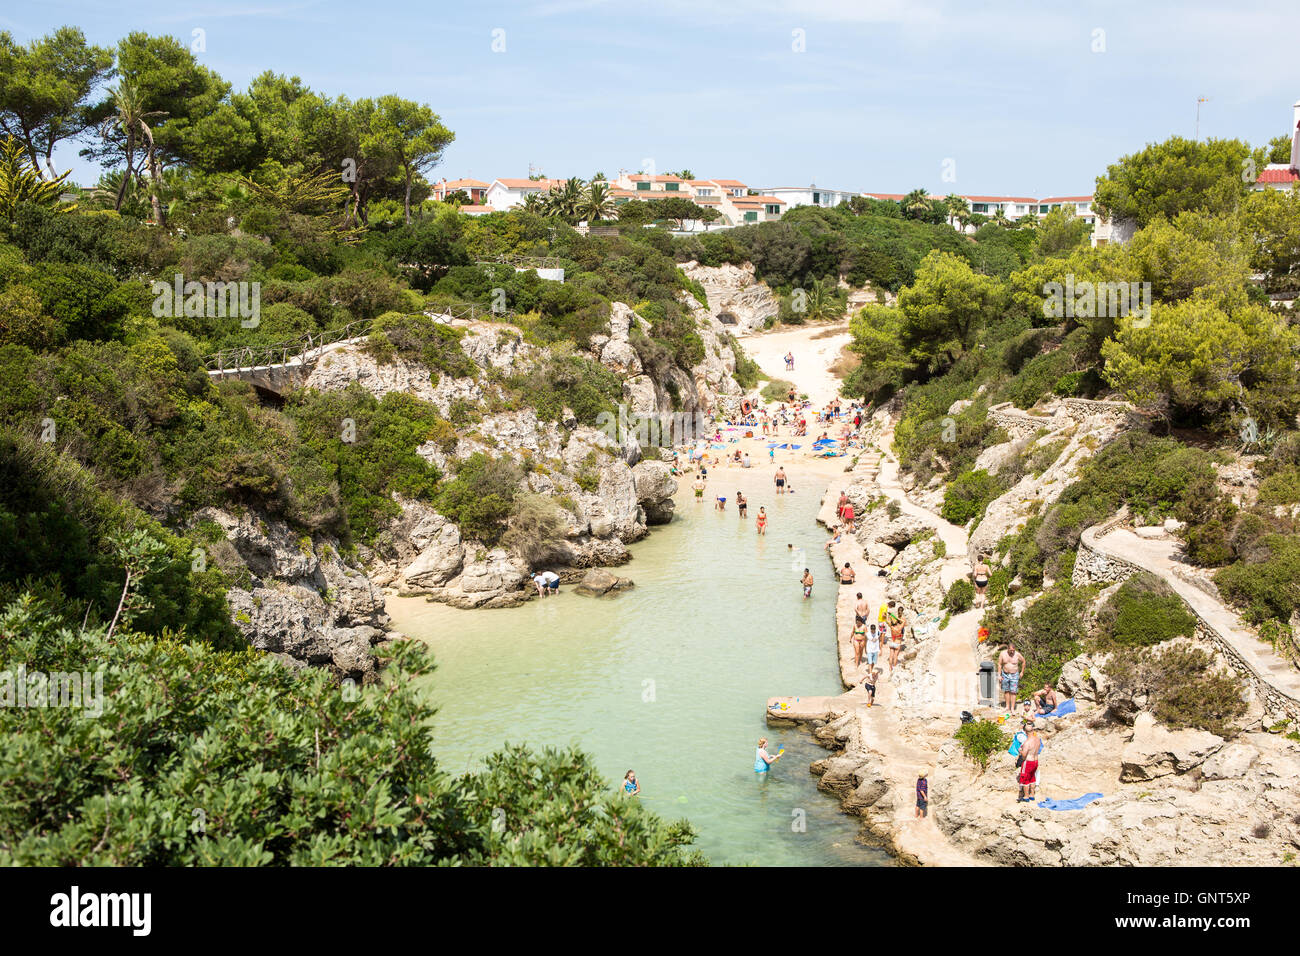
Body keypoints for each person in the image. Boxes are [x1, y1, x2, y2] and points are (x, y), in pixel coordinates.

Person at [998, 642, 1026, 715]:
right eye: (1011, 650)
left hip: (1014, 675)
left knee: (1013, 691)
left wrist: (1022, 672)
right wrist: (999, 675)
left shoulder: (1017, 654)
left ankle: (1012, 708)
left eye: (1013, 650)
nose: (1012, 652)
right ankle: (1007, 706)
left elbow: (1023, 661)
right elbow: (999, 664)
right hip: (1005, 674)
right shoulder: (1002, 654)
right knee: (1006, 690)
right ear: (1008, 649)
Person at [1018, 724, 1042, 803]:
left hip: (1028, 762)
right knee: (1032, 777)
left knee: (1025, 779)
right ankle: (1032, 795)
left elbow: (1024, 755)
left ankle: (1026, 796)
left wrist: (1020, 751)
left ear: (1025, 732)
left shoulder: (1027, 743)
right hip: (1035, 761)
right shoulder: (1038, 739)